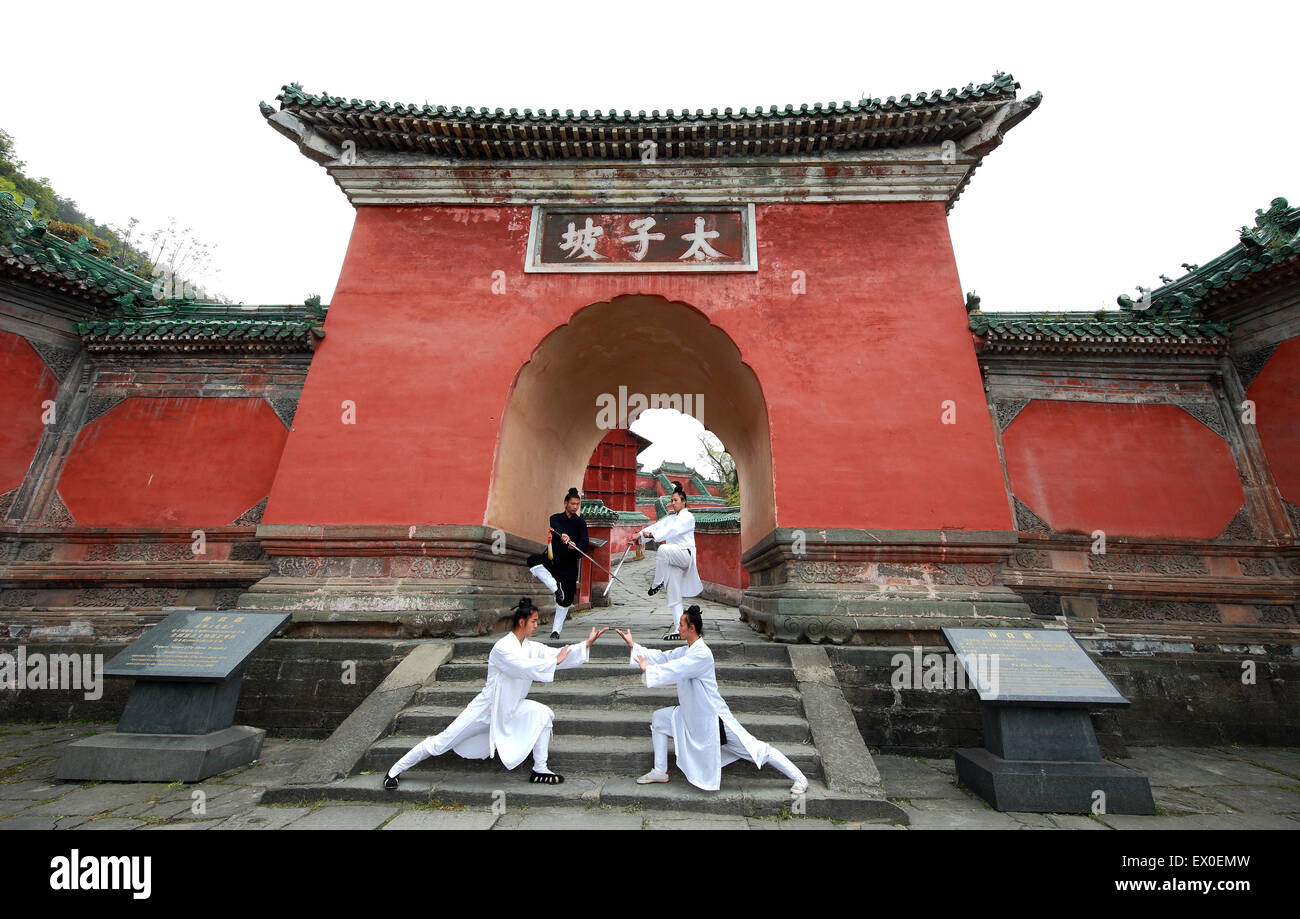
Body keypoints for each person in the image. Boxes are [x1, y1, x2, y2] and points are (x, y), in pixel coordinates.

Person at [383, 598, 608, 788]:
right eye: (534, 621)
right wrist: (553, 662)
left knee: (543, 714)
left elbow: (556, 653)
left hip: (512, 707)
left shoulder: (530, 646)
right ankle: (394, 771)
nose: (536, 626)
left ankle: (540, 769)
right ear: (522, 622)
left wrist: (584, 645)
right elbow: (522, 667)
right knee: (442, 742)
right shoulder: (502, 648)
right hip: (486, 709)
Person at [616, 606, 808, 795]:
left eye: (681, 625)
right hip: (691, 715)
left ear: (692, 628)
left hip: (712, 719)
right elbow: (663, 657)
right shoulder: (688, 650)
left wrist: (646, 669)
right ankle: (660, 771)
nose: (678, 628)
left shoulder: (701, 654)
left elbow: (675, 669)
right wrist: (635, 647)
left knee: (757, 750)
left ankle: (800, 778)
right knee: (659, 720)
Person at [638, 483, 701, 640]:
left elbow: (670, 531)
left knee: (662, 549)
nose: (673, 503)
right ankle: (679, 630)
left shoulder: (687, 517)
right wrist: (639, 535)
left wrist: (651, 536)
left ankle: (657, 583)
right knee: (673, 594)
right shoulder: (672, 518)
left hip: (684, 554)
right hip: (674, 558)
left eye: (675, 500)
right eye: (672, 501)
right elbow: (659, 526)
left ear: (683, 501)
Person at [528, 487, 589, 640]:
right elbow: (556, 527)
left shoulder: (581, 523)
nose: (575, 507)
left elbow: (585, 543)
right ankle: (556, 588)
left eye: (577, 504)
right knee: (533, 561)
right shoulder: (555, 518)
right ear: (565, 503)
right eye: (572, 503)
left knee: (566, 600)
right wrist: (563, 535)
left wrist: (575, 545)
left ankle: (556, 630)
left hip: (569, 564)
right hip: (553, 560)